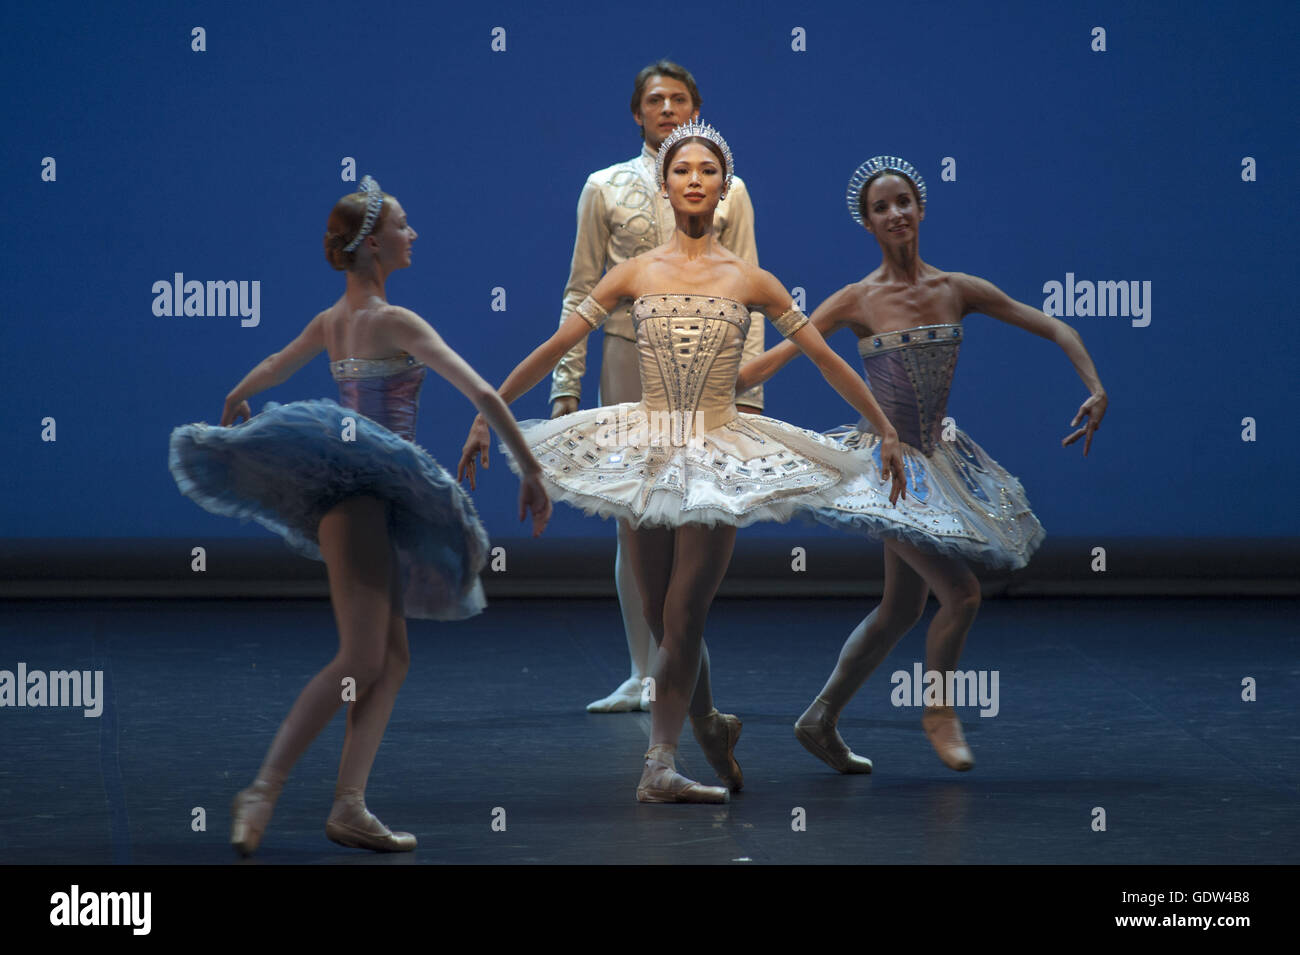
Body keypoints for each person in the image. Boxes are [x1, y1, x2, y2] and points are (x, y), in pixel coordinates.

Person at [460, 125, 907, 803]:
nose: (694, 179)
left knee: (684, 609)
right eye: (682, 170)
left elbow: (824, 356)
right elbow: (559, 344)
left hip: (718, 448)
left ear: (724, 189)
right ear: (665, 185)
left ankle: (658, 764)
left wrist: (885, 428)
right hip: (646, 446)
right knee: (659, 612)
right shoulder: (635, 271)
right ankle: (706, 721)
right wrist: (486, 414)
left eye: (707, 171)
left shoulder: (751, 278)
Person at [168, 177, 551, 854]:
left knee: (392, 657)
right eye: (404, 226)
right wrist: (533, 470)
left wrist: (236, 394)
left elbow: (275, 364)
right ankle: (264, 787)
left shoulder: (332, 321)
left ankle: (349, 803)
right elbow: (484, 390)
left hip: (355, 498)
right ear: (373, 245)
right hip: (366, 494)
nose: (414, 235)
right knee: (361, 654)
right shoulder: (394, 322)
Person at [735, 156, 1107, 773]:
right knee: (960, 595)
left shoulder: (956, 289)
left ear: (921, 208)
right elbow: (773, 360)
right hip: (889, 466)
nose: (895, 214)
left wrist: (1093, 386)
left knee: (902, 609)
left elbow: (1055, 326)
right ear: (868, 223)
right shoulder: (857, 298)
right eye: (881, 208)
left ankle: (820, 718)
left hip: (940, 461)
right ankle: (938, 710)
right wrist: (705, 390)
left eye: (903, 201)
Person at [549, 60, 769, 715]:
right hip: (625, 353)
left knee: (696, 504)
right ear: (637, 113)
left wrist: (748, 393)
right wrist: (568, 381)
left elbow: (752, 292)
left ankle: (678, 671)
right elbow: (581, 287)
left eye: (678, 98)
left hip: (706, 364)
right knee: (636, 510)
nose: (667, 108)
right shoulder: (606, 187)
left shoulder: (730, 190)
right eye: (655, 100)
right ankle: (643, 668)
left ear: (697, 108)